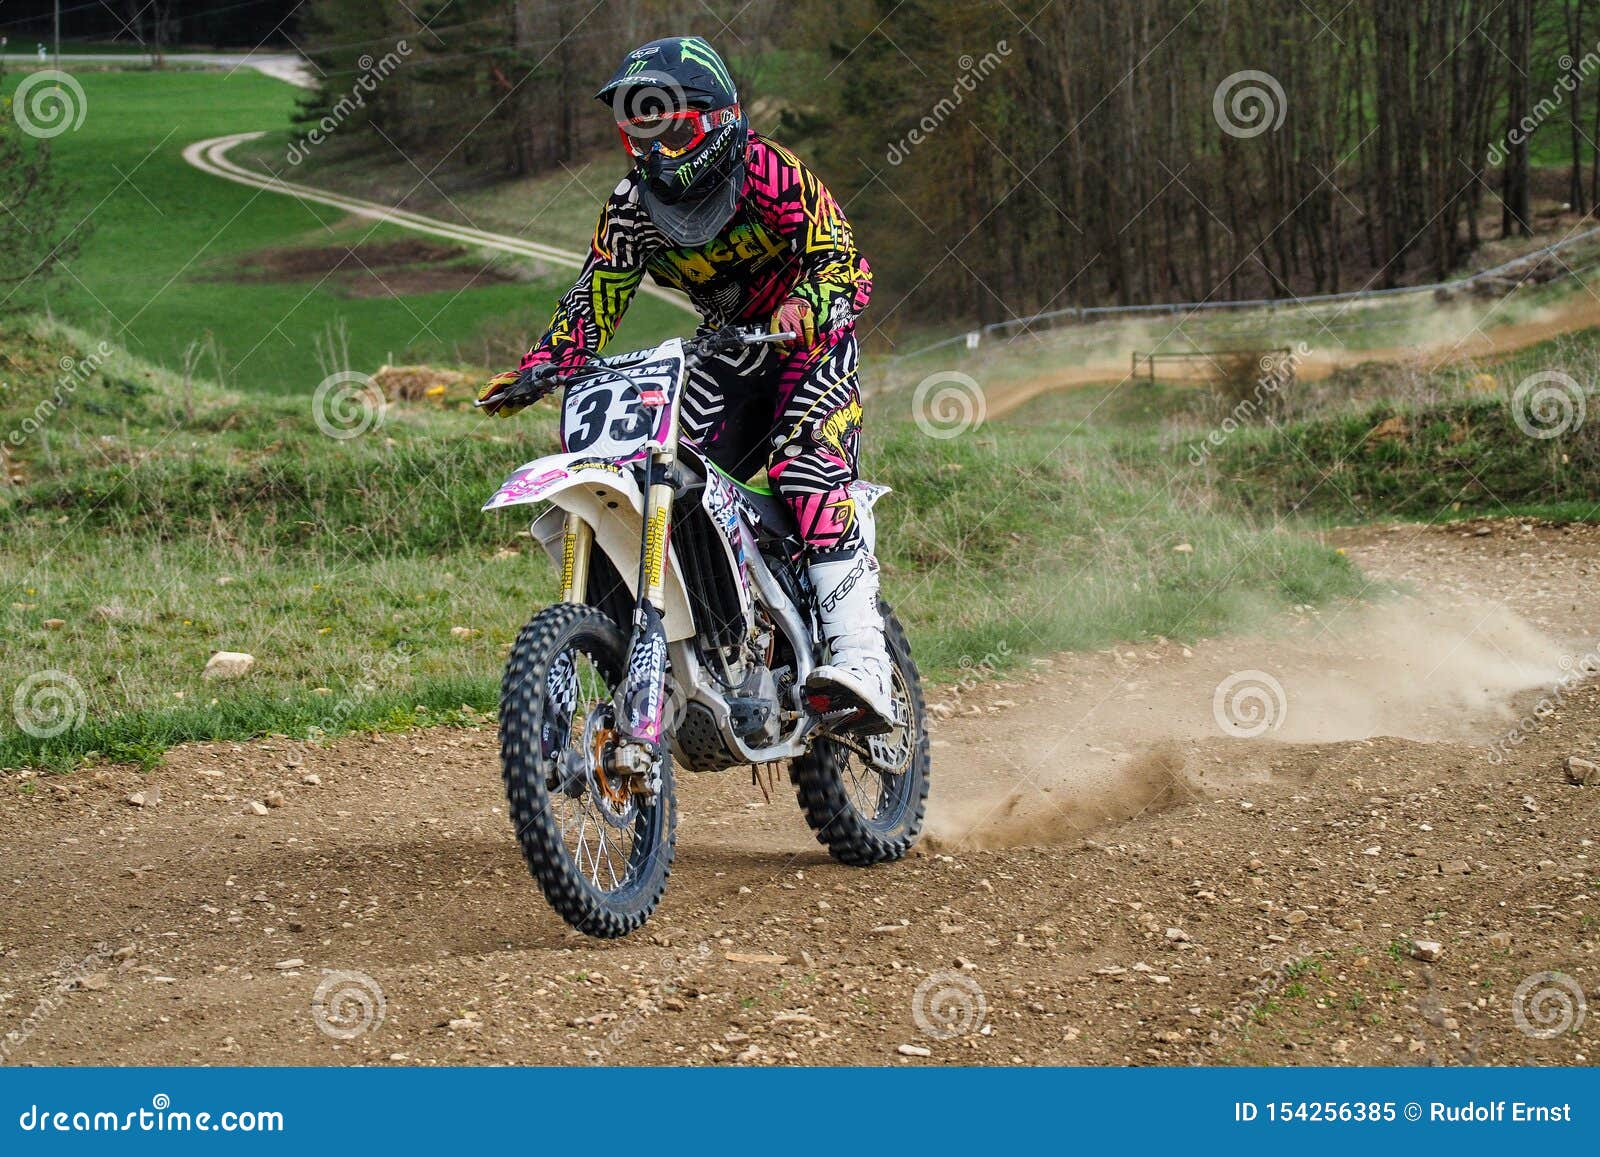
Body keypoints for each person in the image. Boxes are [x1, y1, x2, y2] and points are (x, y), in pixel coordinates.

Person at [478, 35, 894, 730]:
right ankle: (689, 652)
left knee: (803, 462)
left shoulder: (771, 173)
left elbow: (848, 267)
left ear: (714, 119)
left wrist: (807, 305)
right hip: (725, 352)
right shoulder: (631, 208)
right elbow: (594, 301)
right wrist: (541, 367)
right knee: (664, 474)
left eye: (670, 128)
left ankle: (860, 656)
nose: (654, 147)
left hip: (807, 346)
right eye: (641, 128)